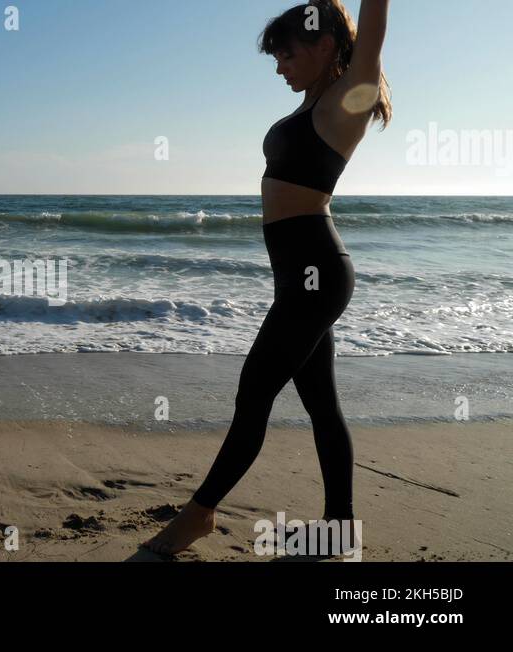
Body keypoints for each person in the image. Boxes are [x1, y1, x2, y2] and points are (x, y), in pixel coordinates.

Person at [142, 0, 392, 556]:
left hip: (317, 274)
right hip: (300, 276)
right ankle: (341, 530)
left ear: (324, 45)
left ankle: (199, 514)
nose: (279, 65)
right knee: (321, 406)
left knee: (253, 395)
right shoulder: (311, 104)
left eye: (286, 52)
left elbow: (371, 31)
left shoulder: (346, 102)